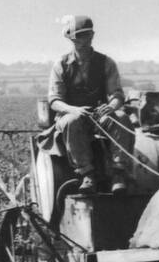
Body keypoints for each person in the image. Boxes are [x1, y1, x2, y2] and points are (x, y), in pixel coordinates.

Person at [47, 15, 133, 194]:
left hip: (99, 117)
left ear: (92, 35)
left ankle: (118, 173)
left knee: (122, 118)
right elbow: (54, 100)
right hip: (70, 115)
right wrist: (73, 109)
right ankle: (87, 174)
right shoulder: (61, 65)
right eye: (79, 36)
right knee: (73, 120)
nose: (83, 41)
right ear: (71, 39)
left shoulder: (106, 63)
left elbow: (117, 94)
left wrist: (112, 106)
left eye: (87, 35)